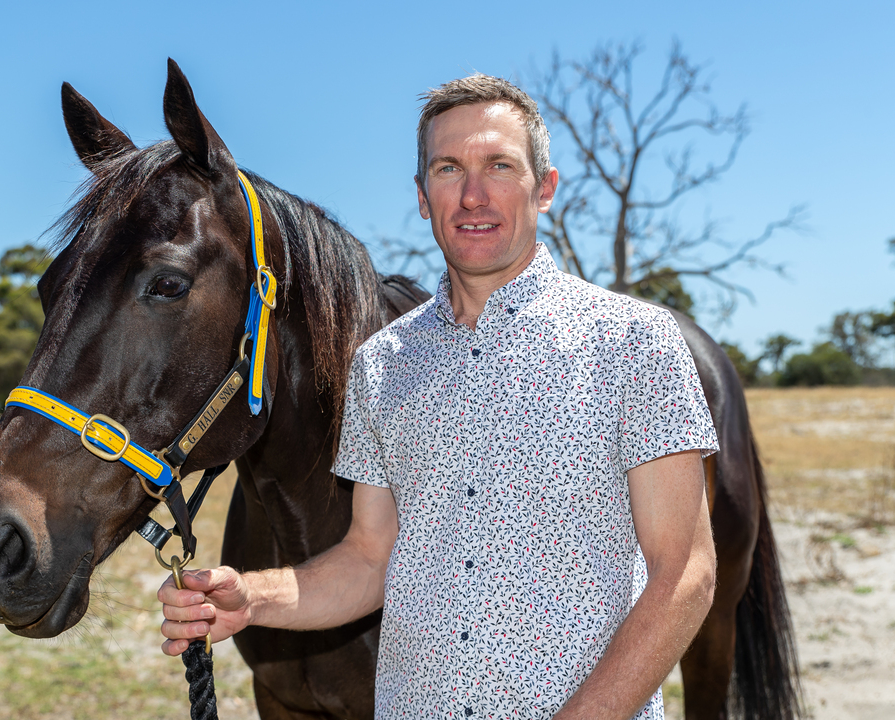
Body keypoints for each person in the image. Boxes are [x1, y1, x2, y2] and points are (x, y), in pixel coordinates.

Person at [159, 73, 719, 720]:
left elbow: (685, 572)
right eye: (448, 169)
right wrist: (251, 598)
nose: (473, 195)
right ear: (423, 196)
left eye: (499, 166)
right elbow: (370, 559)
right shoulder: (382, 365)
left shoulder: (635, 341)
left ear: (545, 187)